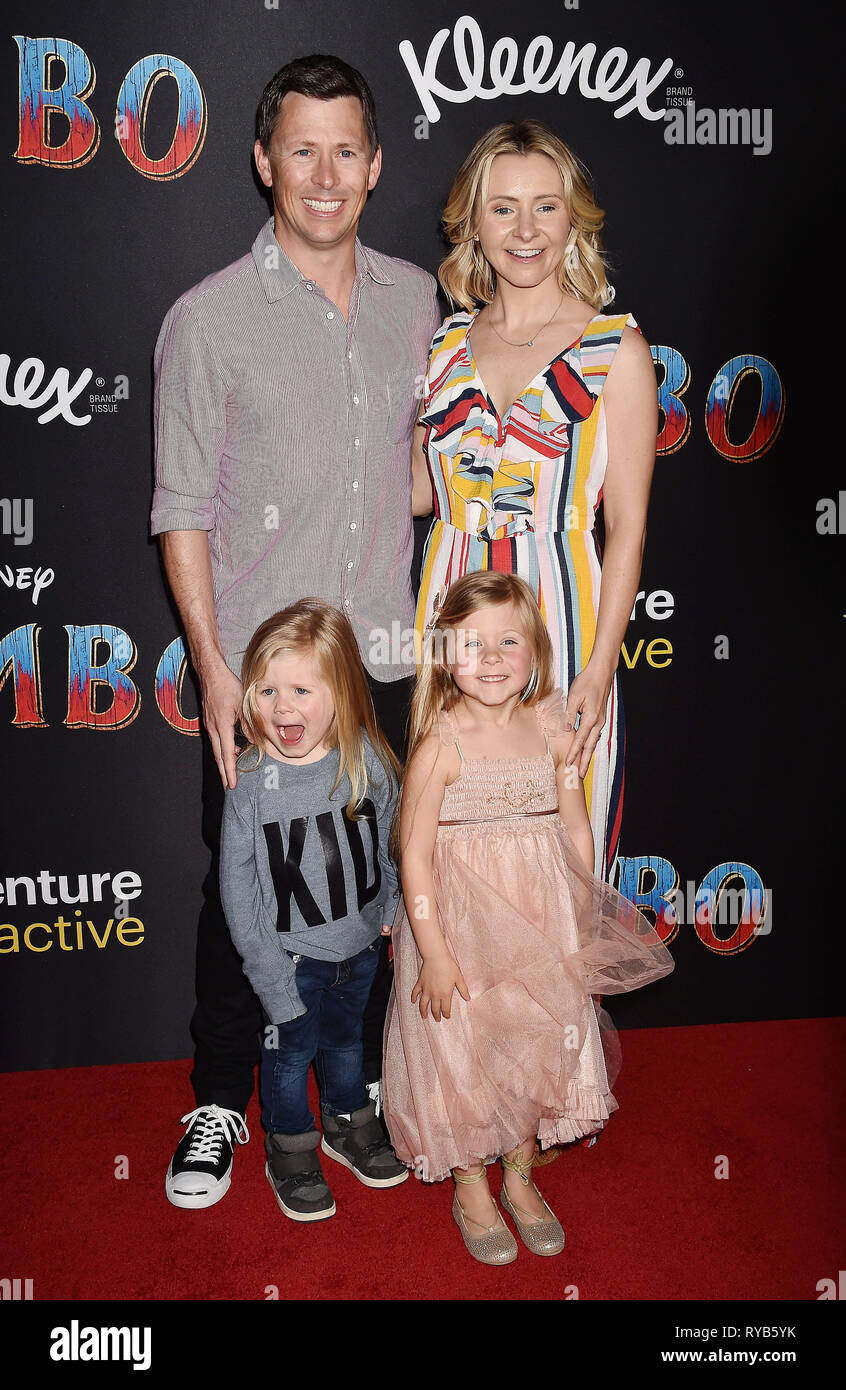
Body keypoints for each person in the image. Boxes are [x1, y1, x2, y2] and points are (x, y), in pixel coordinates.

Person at [151, 54, 440, 1208]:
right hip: (271, 688)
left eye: (347, 150)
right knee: (248, 906)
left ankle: (349, 1096)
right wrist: (217, 671)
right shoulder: (208, 319)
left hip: (386, 667)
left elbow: (420, 481)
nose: (326, 175)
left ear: (375, 163)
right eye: (301, 149)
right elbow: (183, 508)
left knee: (366, 906)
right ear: (265, 159)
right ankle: (222, 1100)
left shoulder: (419, 299)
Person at [382, 572, 673, 1264]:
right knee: (465, 1049)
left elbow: (576, 829)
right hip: (461, 935)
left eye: (507, 640)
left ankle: (519, 1173)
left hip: (540, 924)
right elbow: (414, 856)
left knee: (533, 1042)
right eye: (471, 643)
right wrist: (435, 952)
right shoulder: (440, 747)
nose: (489, 657)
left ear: (536, 651)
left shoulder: (552, 730)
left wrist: (578, 909)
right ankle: (471, 1185)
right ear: (444, 655)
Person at [412, 119, 657, 884]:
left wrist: (597, 672)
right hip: (448, 616)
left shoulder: (616, 351)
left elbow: (629, 528)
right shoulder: (444, 348)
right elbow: (420, 493)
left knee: (556, 866)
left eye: (546, 207)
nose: (525, 229)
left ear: (573, 219)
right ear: (472, 222)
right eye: (503, 207)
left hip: (560, 624)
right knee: (449, 851)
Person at [220, 600, 407, 1221]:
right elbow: (238, 889)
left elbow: (393, 842)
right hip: (290, 960)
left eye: (301, 689)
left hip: (358, 951)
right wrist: (267, 971)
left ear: (342, 690)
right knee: (288, 1054)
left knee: (347, 1043)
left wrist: (395, 909)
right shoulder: (249, 782)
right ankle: (291, 1144)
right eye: (267, 689)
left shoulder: (367, 759)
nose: (281, 707)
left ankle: (347, 1122)